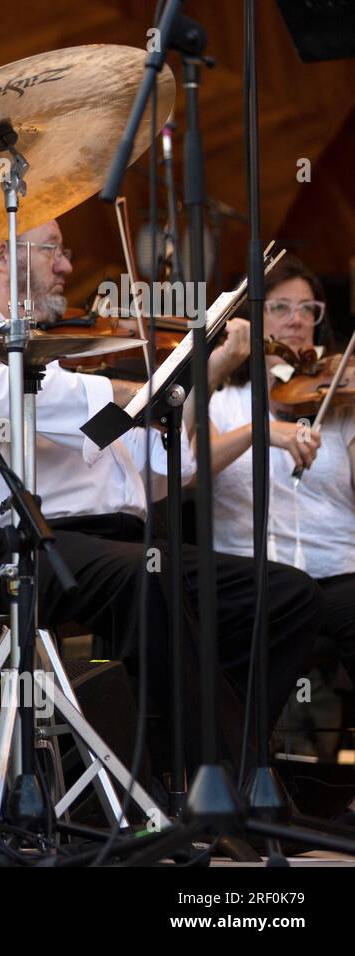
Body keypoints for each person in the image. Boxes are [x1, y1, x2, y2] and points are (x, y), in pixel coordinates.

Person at [0, 218, 323, 773]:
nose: (68, 266)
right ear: (2, 254)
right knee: (146, 579)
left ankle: (194, 766)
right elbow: (35, 402)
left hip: (114, 546)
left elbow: (170, 469)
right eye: (54, 250)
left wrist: (205, 372)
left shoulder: (61, 358)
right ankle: (220, 779)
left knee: (286, 596)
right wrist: (151, 386)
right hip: (11, 550)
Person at [202, 255, 355, 756]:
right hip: (252, 578)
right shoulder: (223, 404)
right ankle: (241, 775)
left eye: (307, 308)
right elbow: (182, 469)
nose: (296, 318)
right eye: (281, 307)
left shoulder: (340, 402)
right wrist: (221, 369)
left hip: (337, 570)